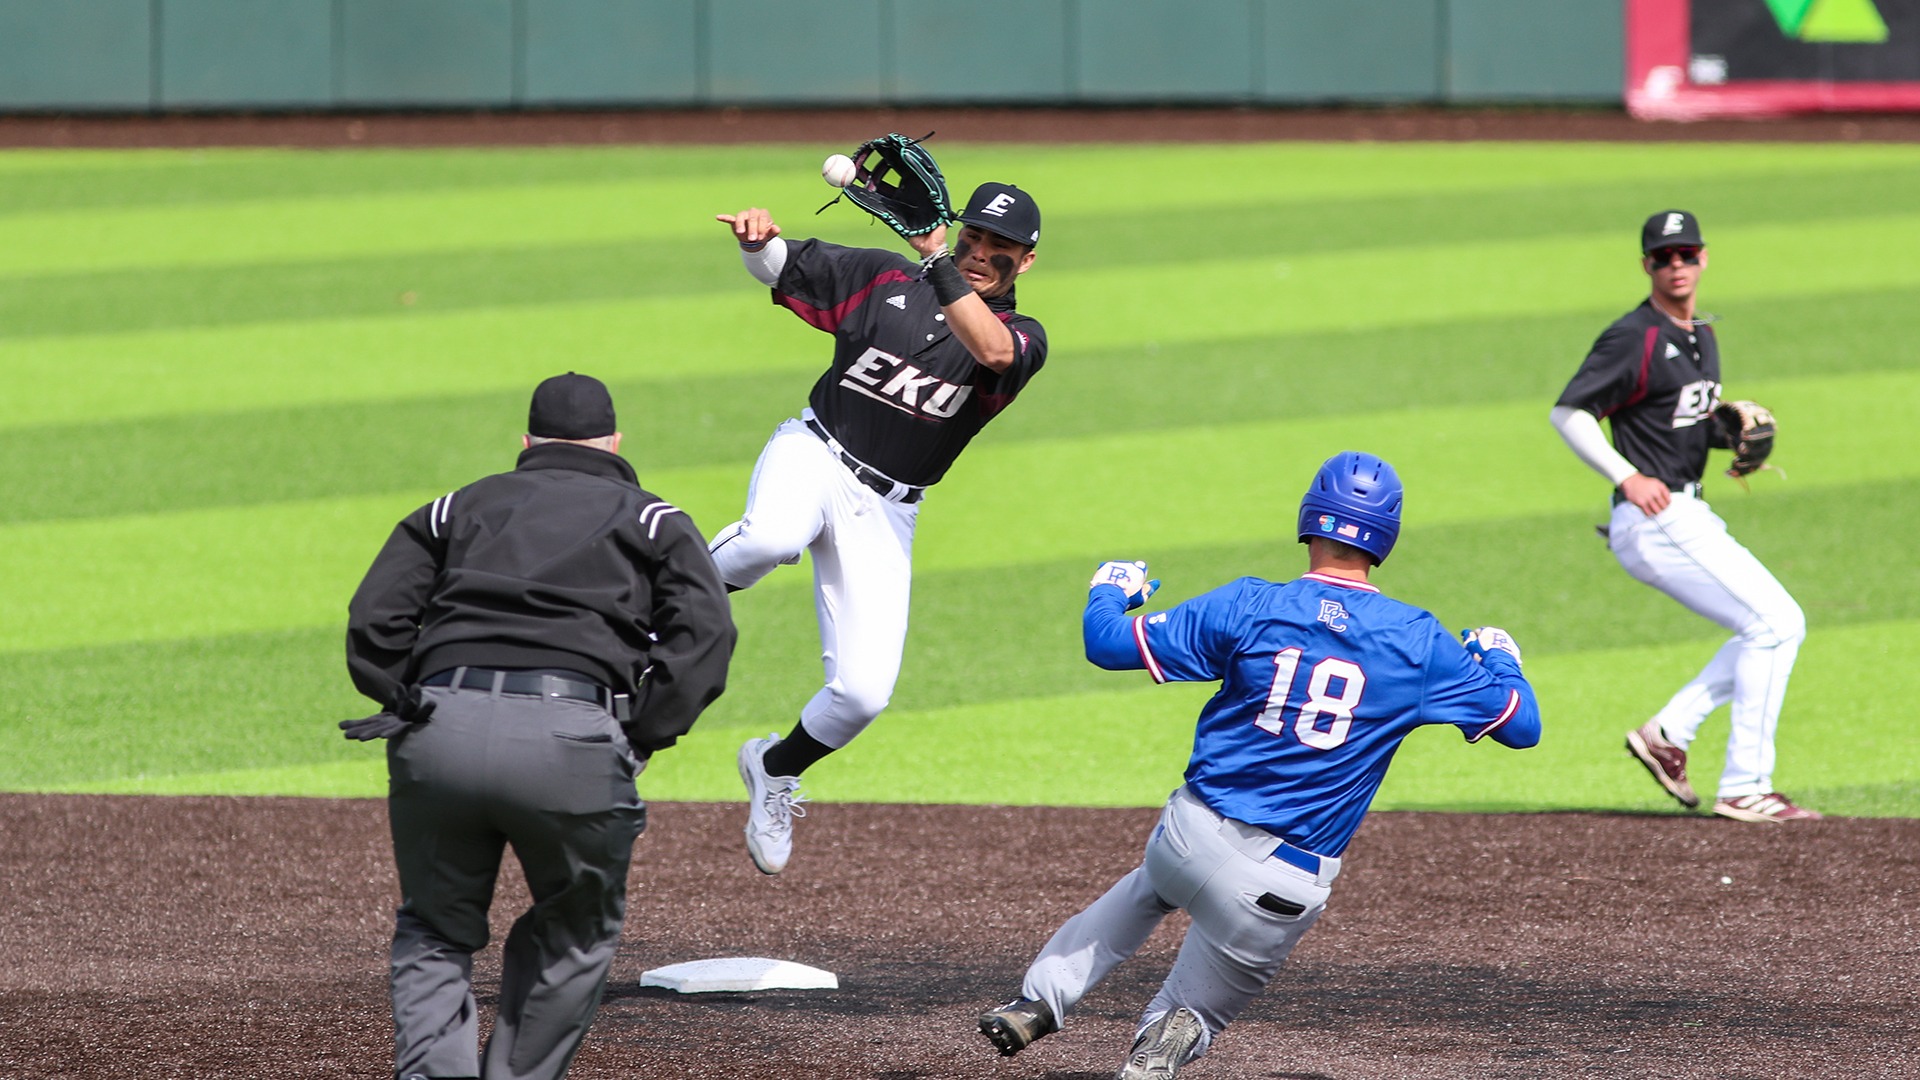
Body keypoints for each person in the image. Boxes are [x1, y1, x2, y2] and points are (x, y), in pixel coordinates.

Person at [977, 451, 1541, 1079]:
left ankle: (1039, 999)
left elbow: (1106, 643)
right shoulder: (1420, 641)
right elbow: (1522, 727)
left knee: (1149, 887)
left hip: (1187, 836)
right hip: (1281, 888)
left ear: (1310, 520)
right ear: (1386, 537)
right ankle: (1160, 1047)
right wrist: (1499, 656)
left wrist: (1110, 590)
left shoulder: (1247, 604)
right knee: (1193, 1009)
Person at [344, 373, 735, 1080]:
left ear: (526, 444)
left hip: (440, 731)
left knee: (434, 928)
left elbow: (375, 620)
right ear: (615, 444)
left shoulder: (454, 508)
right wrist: (641, 733)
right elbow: (704, 641)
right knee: (576, 930)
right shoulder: (655, 519)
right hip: (573, 737)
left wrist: (407, 702)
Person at [712, 182, 1048, 874]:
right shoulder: (883, 276)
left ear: (1028, 262)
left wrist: (938, 263)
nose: (982, 254)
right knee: (771, 538)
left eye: (1000, 249)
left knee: (863, 695)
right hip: (814, 450)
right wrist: (756, 241)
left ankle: (773, 768)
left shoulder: (1023, 338)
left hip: (888, 509)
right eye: (973, 239)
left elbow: (990, 353)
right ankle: (654, 590)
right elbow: (783, 265)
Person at [1550, 210, 1817, 824]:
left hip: (1686, 510)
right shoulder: (1633, 336)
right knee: (1776, 622)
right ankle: (1746, 784)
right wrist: (1627, 474)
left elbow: (1672, 420)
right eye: (1663, 256)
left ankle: (1669, 732)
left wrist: (1725, 440)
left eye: (1686, 253)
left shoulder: (1701, 333)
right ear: (1646, 264)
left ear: (1703, 258)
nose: (1676, 265)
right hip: (1658, 514)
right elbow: (1569, 414)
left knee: (1773, 628)